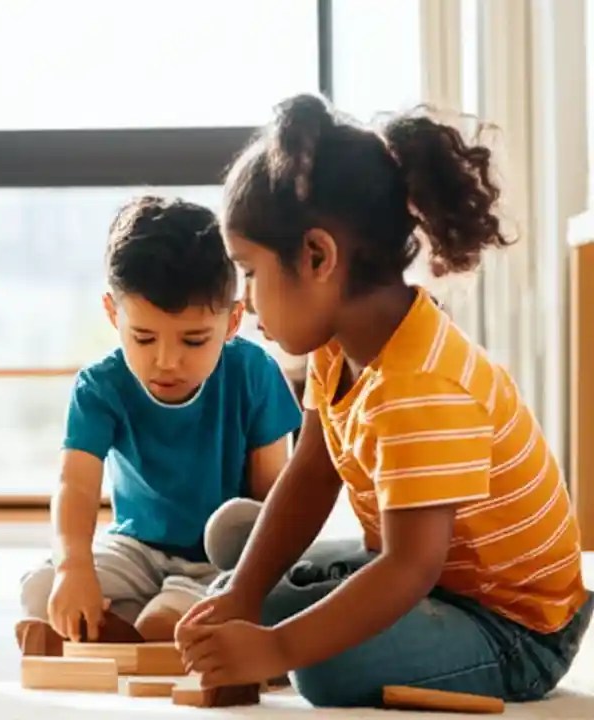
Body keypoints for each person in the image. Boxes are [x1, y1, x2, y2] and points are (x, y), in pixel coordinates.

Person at [176, 93, 592, 707]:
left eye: (250, 272)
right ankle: (273, 597)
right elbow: (313, 474)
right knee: (240, 558)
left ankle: (299, 617)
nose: (246, 301)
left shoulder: (421, 385)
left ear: (317, 257)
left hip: (512, 628)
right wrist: (241, 598)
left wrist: (278, 650)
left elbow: (408, 568)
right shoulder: (335, 344)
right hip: (430, 576)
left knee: (321, 672)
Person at [16, 197, 303, 646]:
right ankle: (130, 623)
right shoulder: (100, 385)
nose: (166, 361)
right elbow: (76, 485)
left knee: (169, 619)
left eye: (193, 340)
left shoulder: (254, 373)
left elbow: (272, 502)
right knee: (40, 589)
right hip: (136, 550)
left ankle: (142, 624)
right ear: (114, 315)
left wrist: (251, 585)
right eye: (144, 338)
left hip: (220, 560)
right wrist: (74, 567)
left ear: (231, 322)